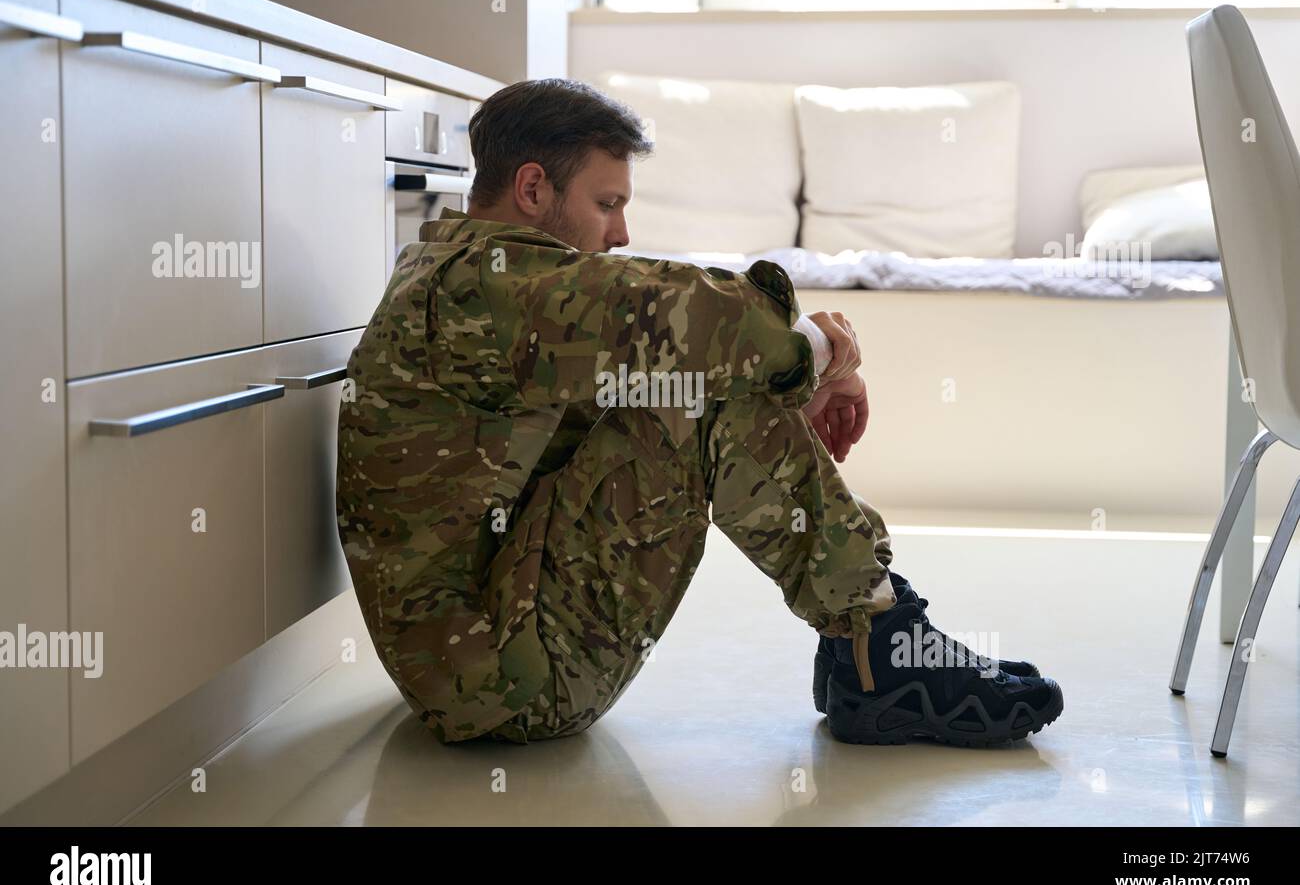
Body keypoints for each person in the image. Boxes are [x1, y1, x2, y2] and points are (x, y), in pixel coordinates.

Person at [335, 78, 1063, 747]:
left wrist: (787, 385)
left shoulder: (463, 271)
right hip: (508, 684)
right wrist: (821, 350)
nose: (619, 234)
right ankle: (880, 646)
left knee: (687, 384)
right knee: (692, 389)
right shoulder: (484, 287)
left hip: (480, 651)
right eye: (607, 203)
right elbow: (694, 319)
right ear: (532, 188)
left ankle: (870, 647)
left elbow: (632, 368)